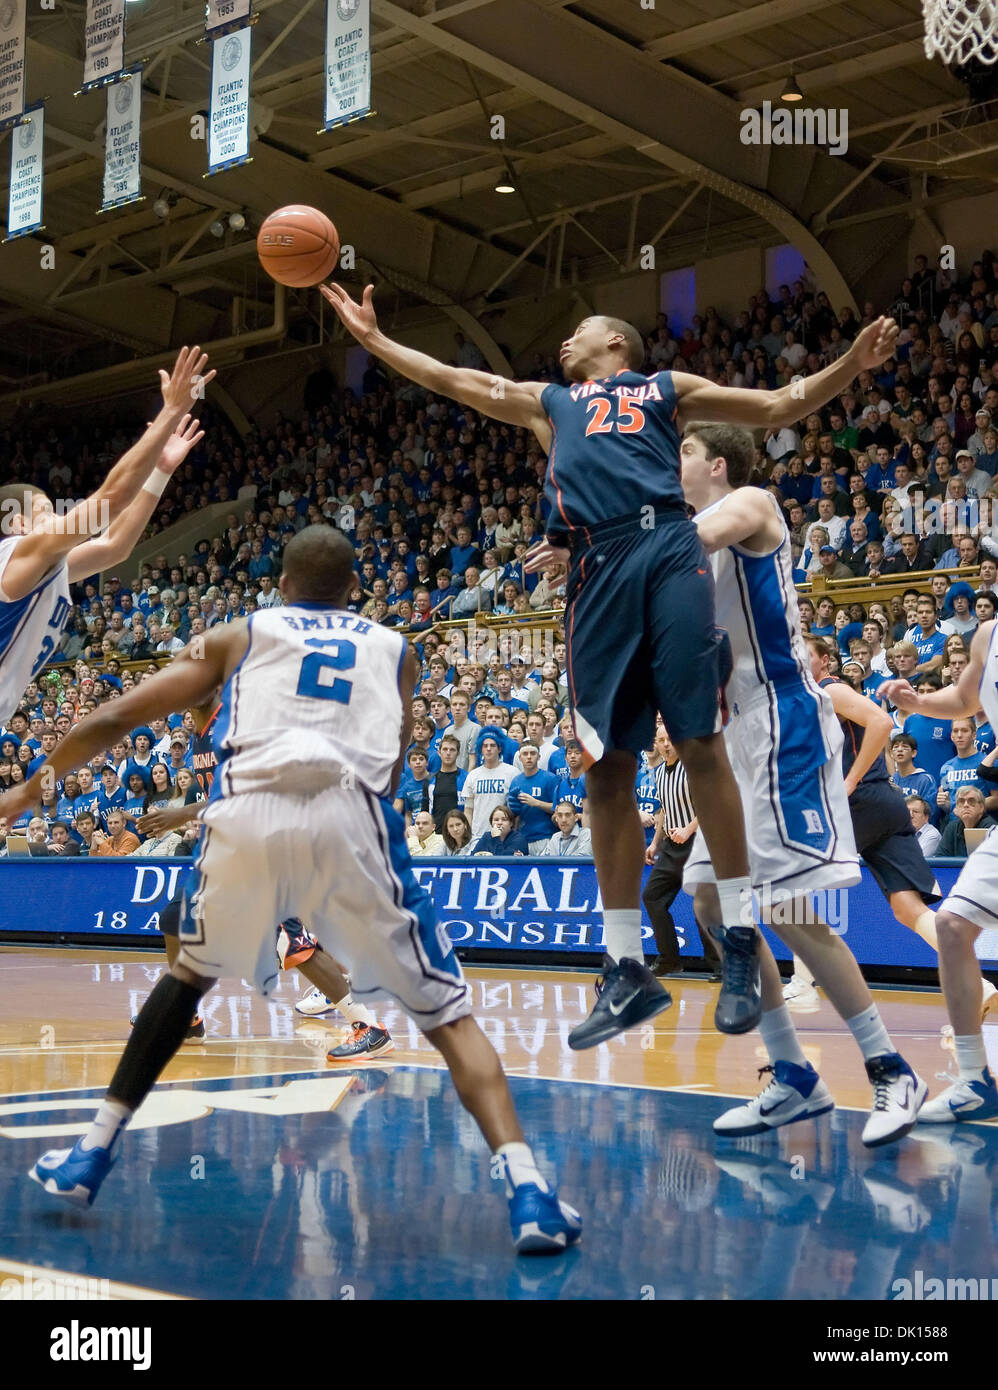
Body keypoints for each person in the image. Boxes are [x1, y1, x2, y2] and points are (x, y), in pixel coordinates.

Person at [321, 278, 899, 1050]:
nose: (565, 342)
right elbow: (459, 381)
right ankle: (625, 965)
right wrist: (377, 343)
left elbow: (775, 406)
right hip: (597, 566)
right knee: (604, 766)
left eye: (581, 331)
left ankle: (736, 942)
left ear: (618, 343)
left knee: (697, 741)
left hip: (665, 544)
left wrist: (850, 367)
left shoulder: (665, 389)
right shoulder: (550, 404)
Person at [6, 527, 580, 1252]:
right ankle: (528, 1190)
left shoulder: (237, 635)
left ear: (281, 586)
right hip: (352, 817)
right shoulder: (398, 652)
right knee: (450, 1018)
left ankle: (93, 1151)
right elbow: (396, 757)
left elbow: (114, 717)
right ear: (355, 590)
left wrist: (32, 791)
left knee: (186, 974)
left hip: (250, 817)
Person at [680, 426, 926, 1147]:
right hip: (726, 735)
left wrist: (602, 535)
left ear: (717, 464)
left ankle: (889, 1066)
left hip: (780, 720)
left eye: (686, 453)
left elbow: (686, 541)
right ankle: (793, 1076)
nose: (675, 464)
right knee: (708, 900)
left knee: (787, 911)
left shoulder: (749, 504)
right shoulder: (674, 539)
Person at [0, 351, 210, 724]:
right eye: (46, 511)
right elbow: (109, 502)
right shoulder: (18, 551)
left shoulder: (42, 567)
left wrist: (159, 472)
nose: (58, 517)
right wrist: (171, 412)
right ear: (15, 523)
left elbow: (115, 546)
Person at [880, 628, 998, 1120]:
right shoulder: (989, 636)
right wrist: (917, 699)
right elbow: (967, 697)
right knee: (950, 927)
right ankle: (974, 1080)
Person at [643, 723, 719, 978]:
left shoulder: (694, 767)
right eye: (660, 740)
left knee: (703, 906)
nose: (665, 744)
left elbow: (710, 803)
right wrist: (655, 843)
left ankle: (721, 965)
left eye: (669, 739)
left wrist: (688, 829)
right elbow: (664, 810)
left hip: (699, 844)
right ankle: (669, 959)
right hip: (671, 847)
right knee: (652, 897)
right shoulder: (659, 773)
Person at [937, 786, 996, 857]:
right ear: (956, 808)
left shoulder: (991, 828)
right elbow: (939, 857)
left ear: (981, 807)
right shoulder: (952, 827)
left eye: (971, 801)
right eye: (961, 801)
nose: (966, 805)